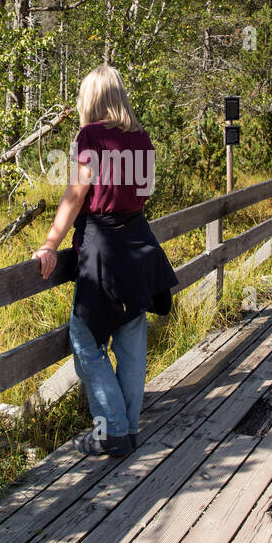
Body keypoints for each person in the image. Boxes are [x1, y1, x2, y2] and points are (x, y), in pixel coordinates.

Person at [34, 65, 179, 458]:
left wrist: (51, 243)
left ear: (91, 98)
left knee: (84, 338)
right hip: (137, 242)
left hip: (103, 248)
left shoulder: (90, 135)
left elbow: (76, 194)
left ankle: (113, 430)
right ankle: (127, 428)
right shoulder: (141, 139)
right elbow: (145, 193)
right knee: (131, 340)